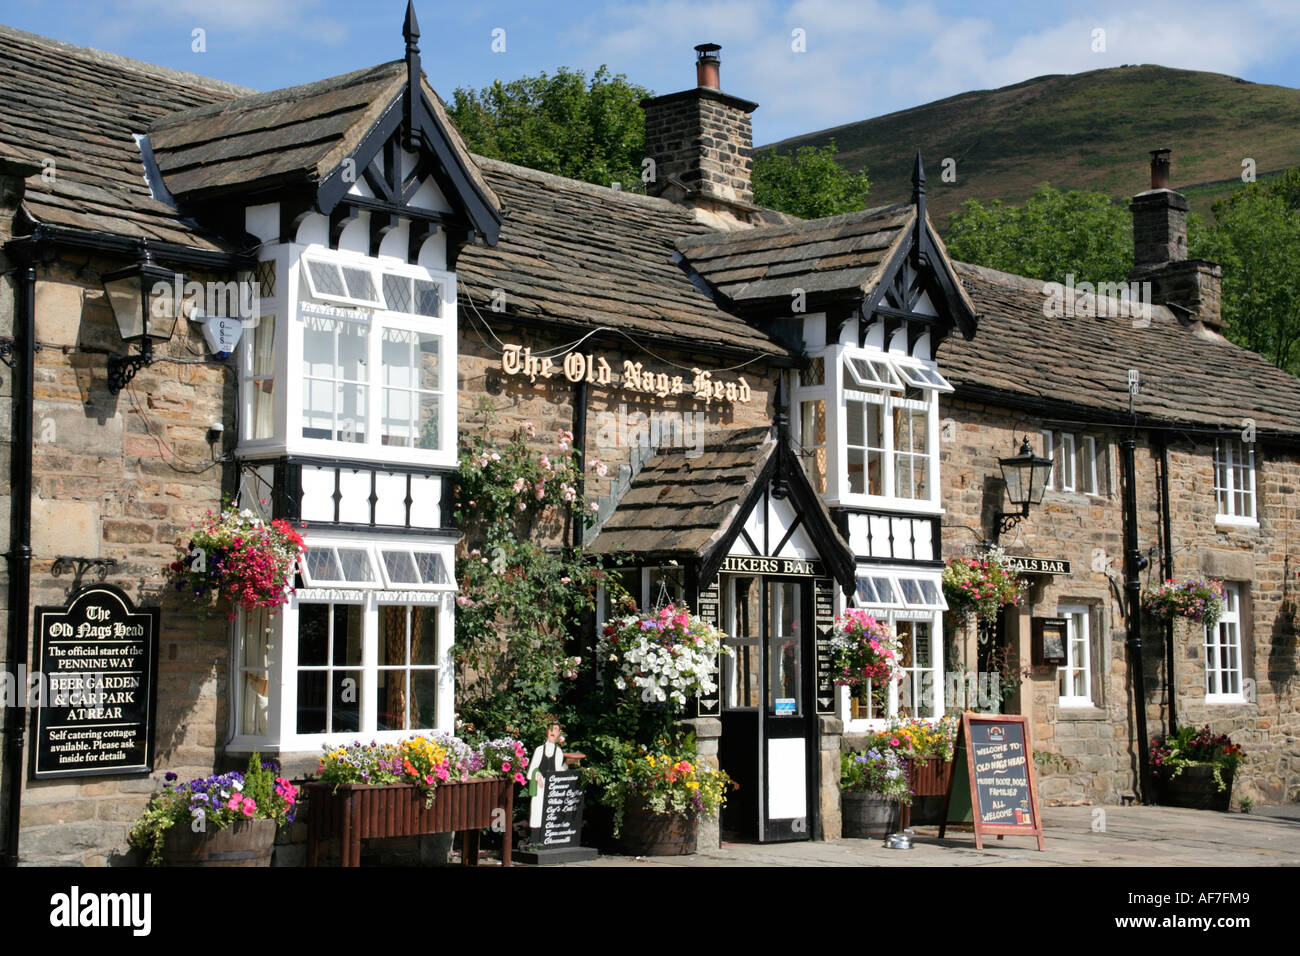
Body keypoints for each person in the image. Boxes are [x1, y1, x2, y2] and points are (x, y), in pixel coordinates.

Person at [528, 722, 567, 831]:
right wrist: (537, 774)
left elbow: (559, 771)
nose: (552, 732)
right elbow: (533, 769)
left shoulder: (559, 752)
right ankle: (536, 835)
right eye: (551, 729)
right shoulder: (539, 750)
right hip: (540, 785)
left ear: (559, 733)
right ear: (546, 731)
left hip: (552, 786)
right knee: (537, 808)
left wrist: (567, 763)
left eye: (555, 730)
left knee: (552, 810)